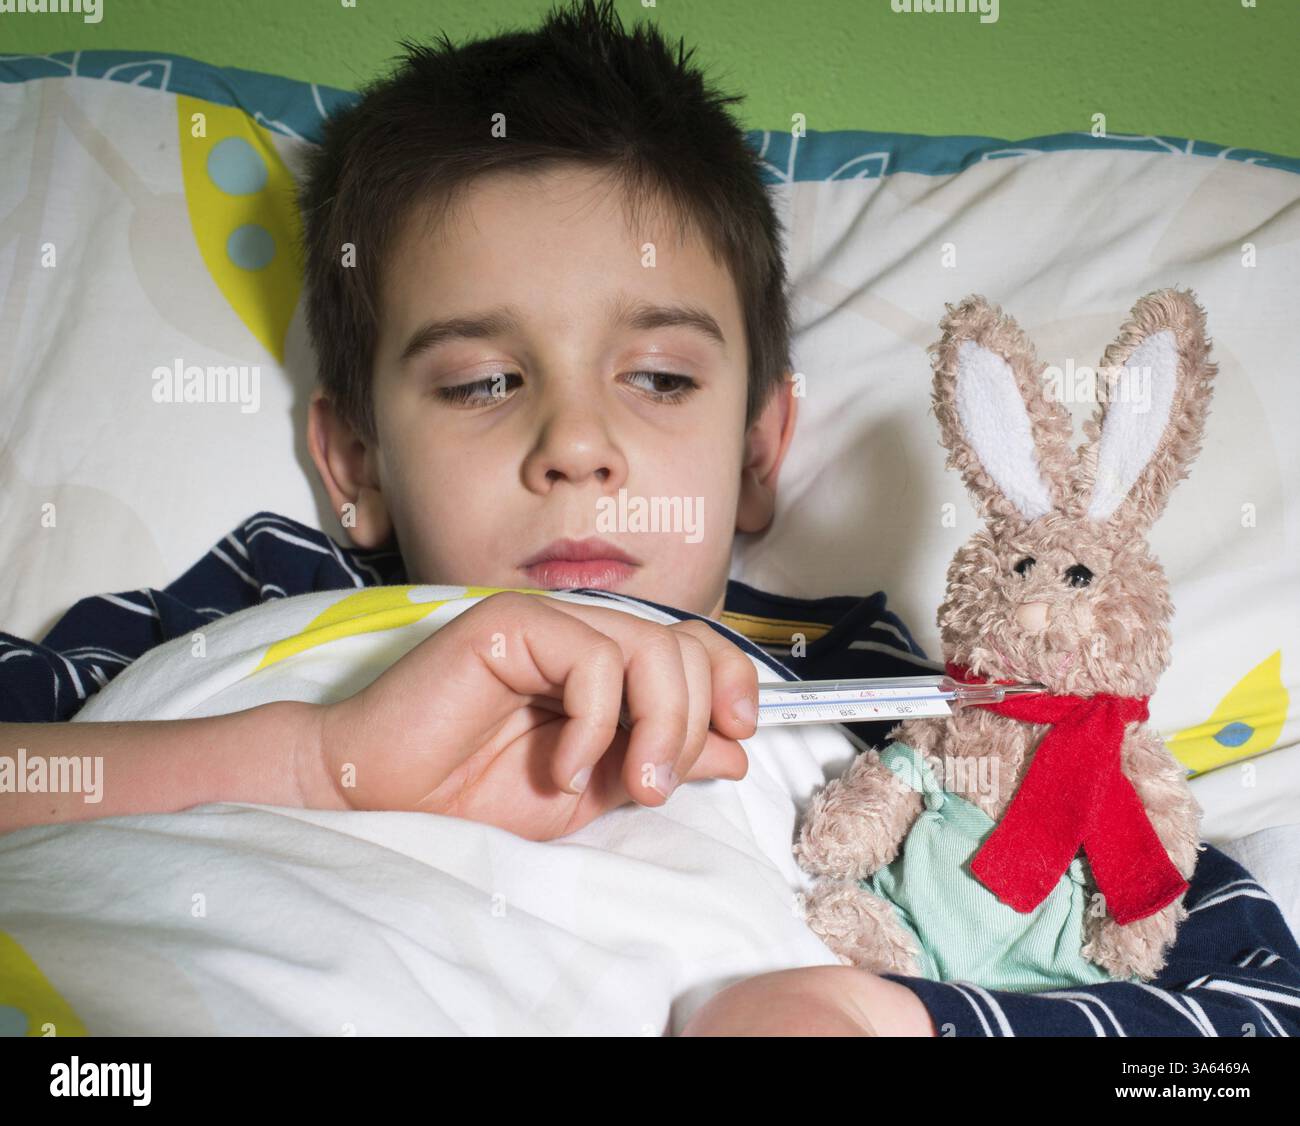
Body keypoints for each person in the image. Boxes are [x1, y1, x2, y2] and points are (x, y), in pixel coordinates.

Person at [1, 0, 1296, 1037]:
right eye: (482, 382)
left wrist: (880, 1015)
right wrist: (310, 760)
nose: (576, 445)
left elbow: (1241, 1006)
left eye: (662, 378)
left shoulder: (880, 694)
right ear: (355, 462)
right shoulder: (258, 592)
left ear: (758, 451)